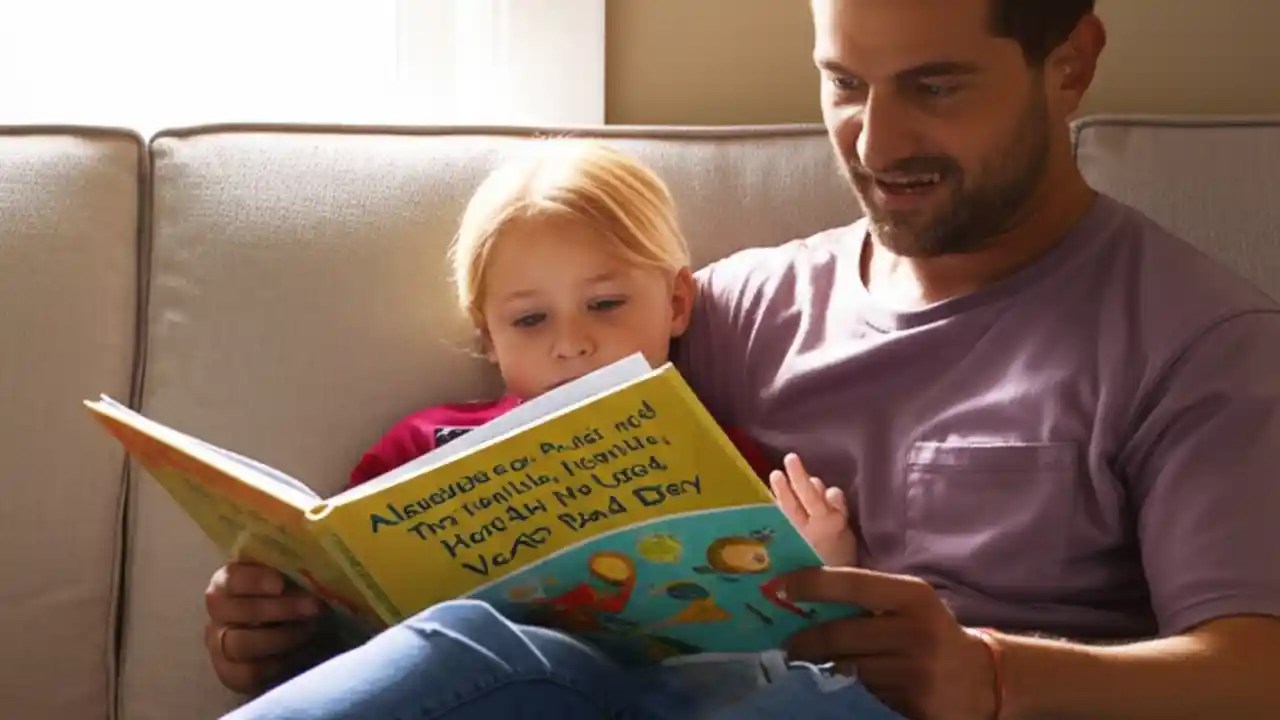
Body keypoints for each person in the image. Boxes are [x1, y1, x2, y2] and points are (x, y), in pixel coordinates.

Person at [206, 0, 1280, 717]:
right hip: (662, 691)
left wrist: (989, 674)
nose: (875, 140)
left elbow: (1253, 666)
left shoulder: (1195, 340)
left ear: (1070, 65)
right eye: (844, 85)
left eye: (936, 86)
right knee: (459, 647)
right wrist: (302, 623)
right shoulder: (723, 309)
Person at [212, 140, 893, 719]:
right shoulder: (419, 446)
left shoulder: (716, 452)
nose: (572, 343)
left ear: (677, 302)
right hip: (497, 691)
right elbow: (352, 590)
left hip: (683, 696)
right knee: (457, 633)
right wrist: (276, 618)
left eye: (605, 304)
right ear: (488, 339)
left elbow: (798, 645)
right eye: (530, 320)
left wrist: (825, 565)